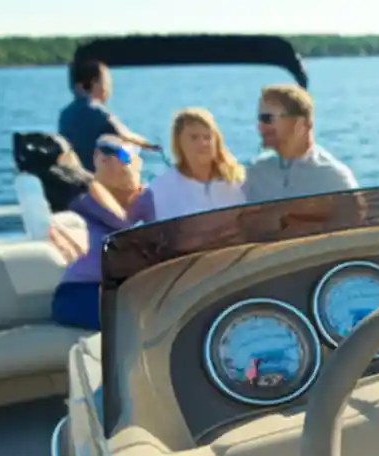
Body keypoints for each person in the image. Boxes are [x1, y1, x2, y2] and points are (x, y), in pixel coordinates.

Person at [48, 135, 150, 330]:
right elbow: (120, 226)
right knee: (134, 322)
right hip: (81, 293)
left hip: (125, 291)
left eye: (122, 155)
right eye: (104, 155)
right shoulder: (83, 202)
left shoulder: (147, 200)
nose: (112, 161)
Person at [243, 84, 358, 203]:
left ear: (300, 123)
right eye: (260, 119)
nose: (260, 126)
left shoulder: (333, 179)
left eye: (267, 118)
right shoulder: (255, 173)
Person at [137, 108, 246, 221]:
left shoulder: (238, 181)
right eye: (194, 137)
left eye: (207, 137)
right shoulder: (158, 190)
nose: (202, 143)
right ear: (179, 142)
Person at [58, 59, 159, 171]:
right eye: (106, 83)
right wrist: (151, 146)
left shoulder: (64, 115)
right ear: (94, 82)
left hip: (76, 173)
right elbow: (126, 136)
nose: (109, 89)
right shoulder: (98, 112)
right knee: (128, 151)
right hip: (98, 175)